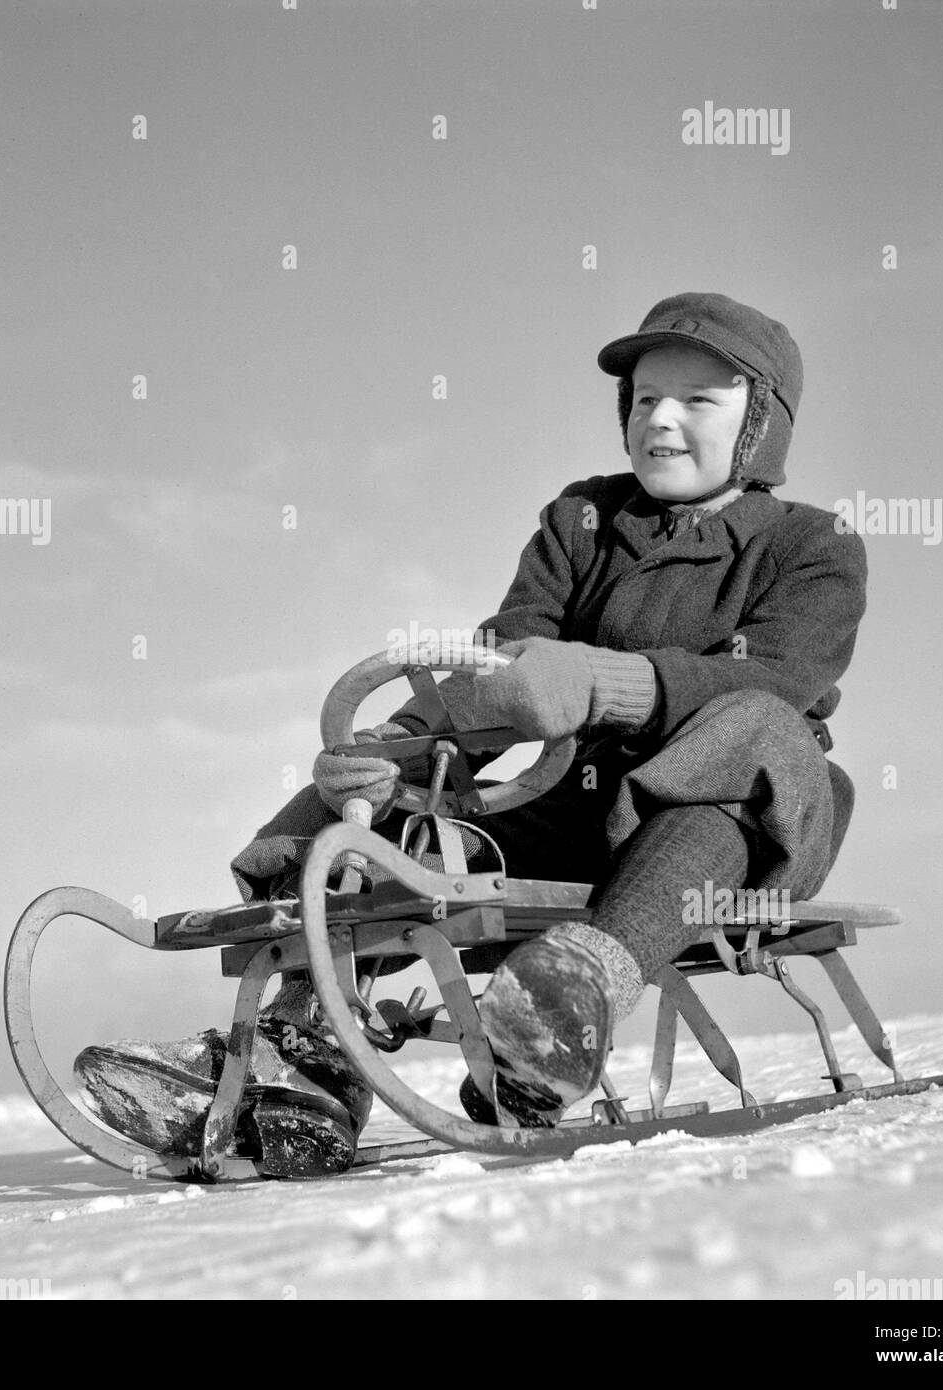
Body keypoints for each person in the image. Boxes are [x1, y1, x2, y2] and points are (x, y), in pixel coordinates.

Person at [75, 291, 867, 1178]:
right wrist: (403, 741)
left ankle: (566, 1007)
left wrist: (607, 683)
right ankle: (296, 1063)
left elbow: (776, 677)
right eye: (646, 400)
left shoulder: (812, 544)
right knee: (403, 811)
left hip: (740, 817)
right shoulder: (585, 519)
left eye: (698, 400)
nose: (662, 421)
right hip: (579, 802)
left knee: (754, 729)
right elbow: (498, 664)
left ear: (760, 424)